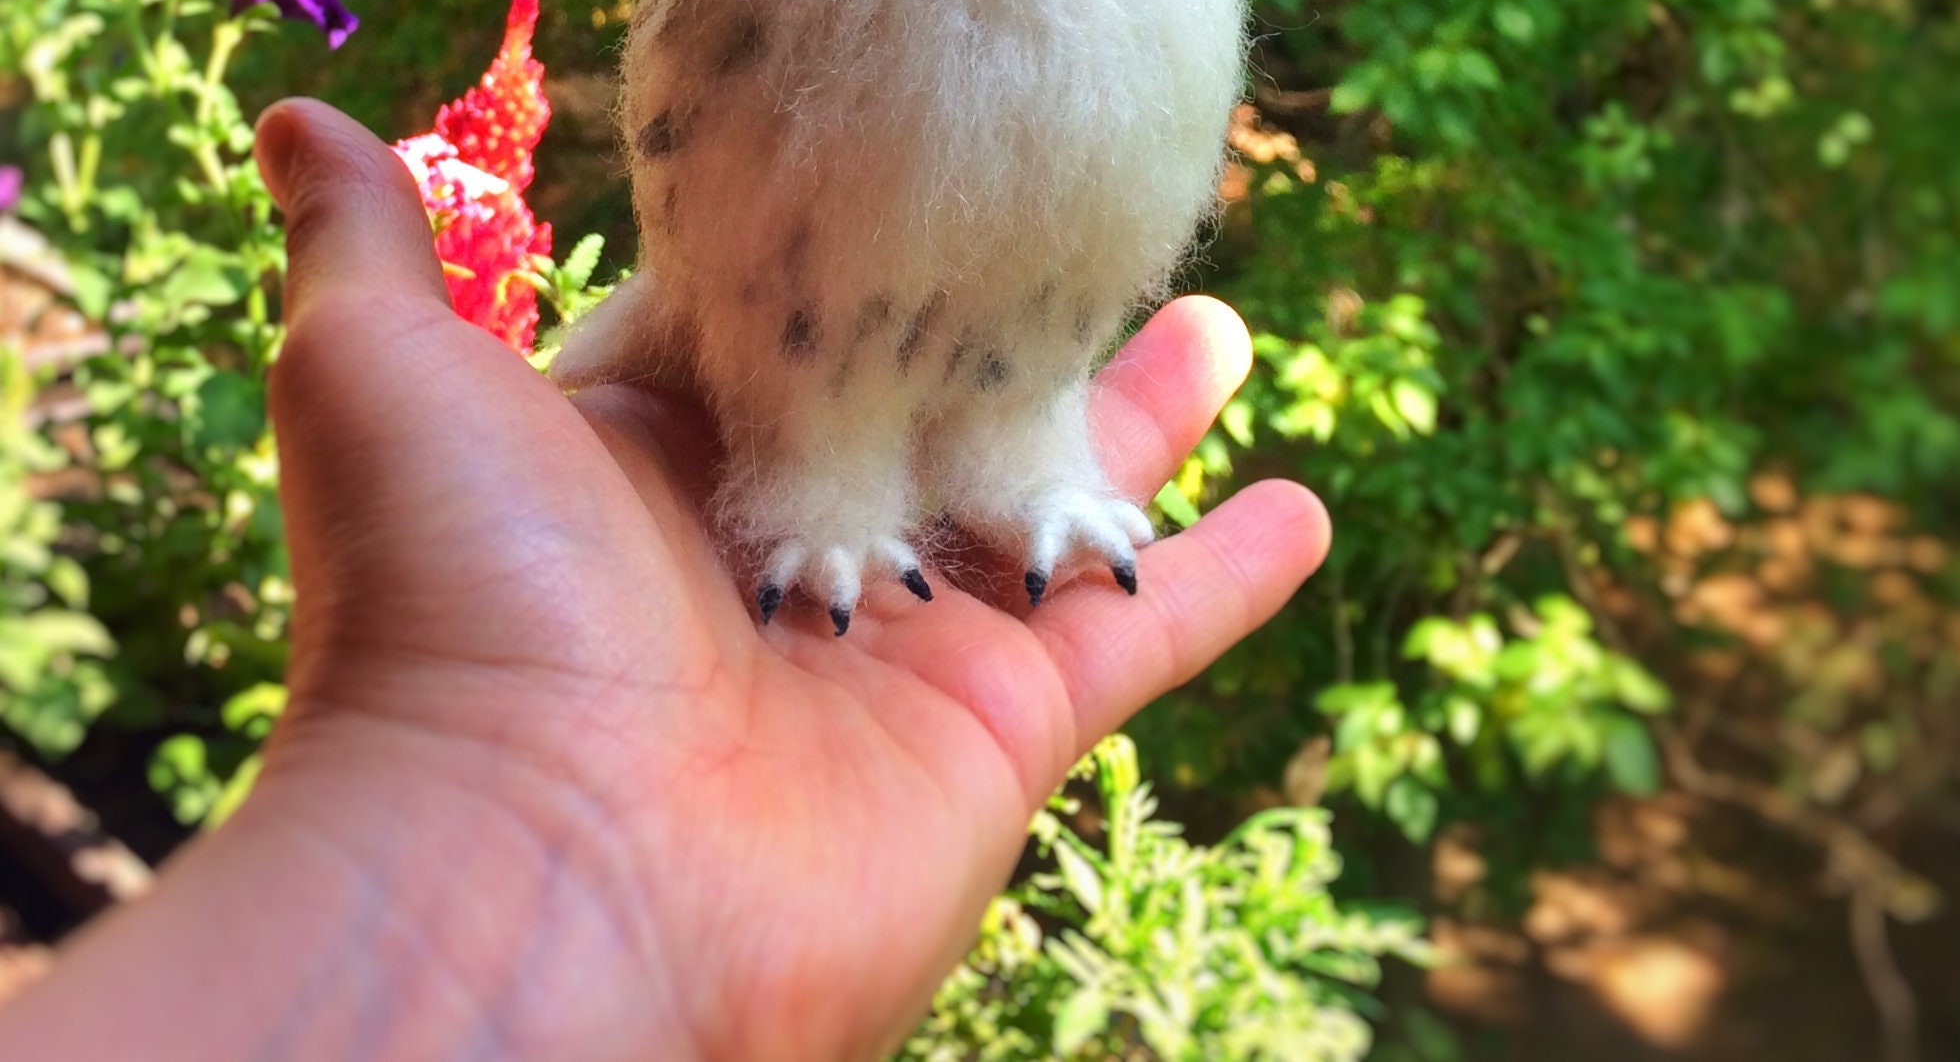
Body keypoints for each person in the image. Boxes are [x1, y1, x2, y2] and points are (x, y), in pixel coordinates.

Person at [0, 100, 1330, 1062]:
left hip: (999, 403)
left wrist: (1025, 446)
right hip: (776, 384)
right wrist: (498, 795)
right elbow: (747, 235)